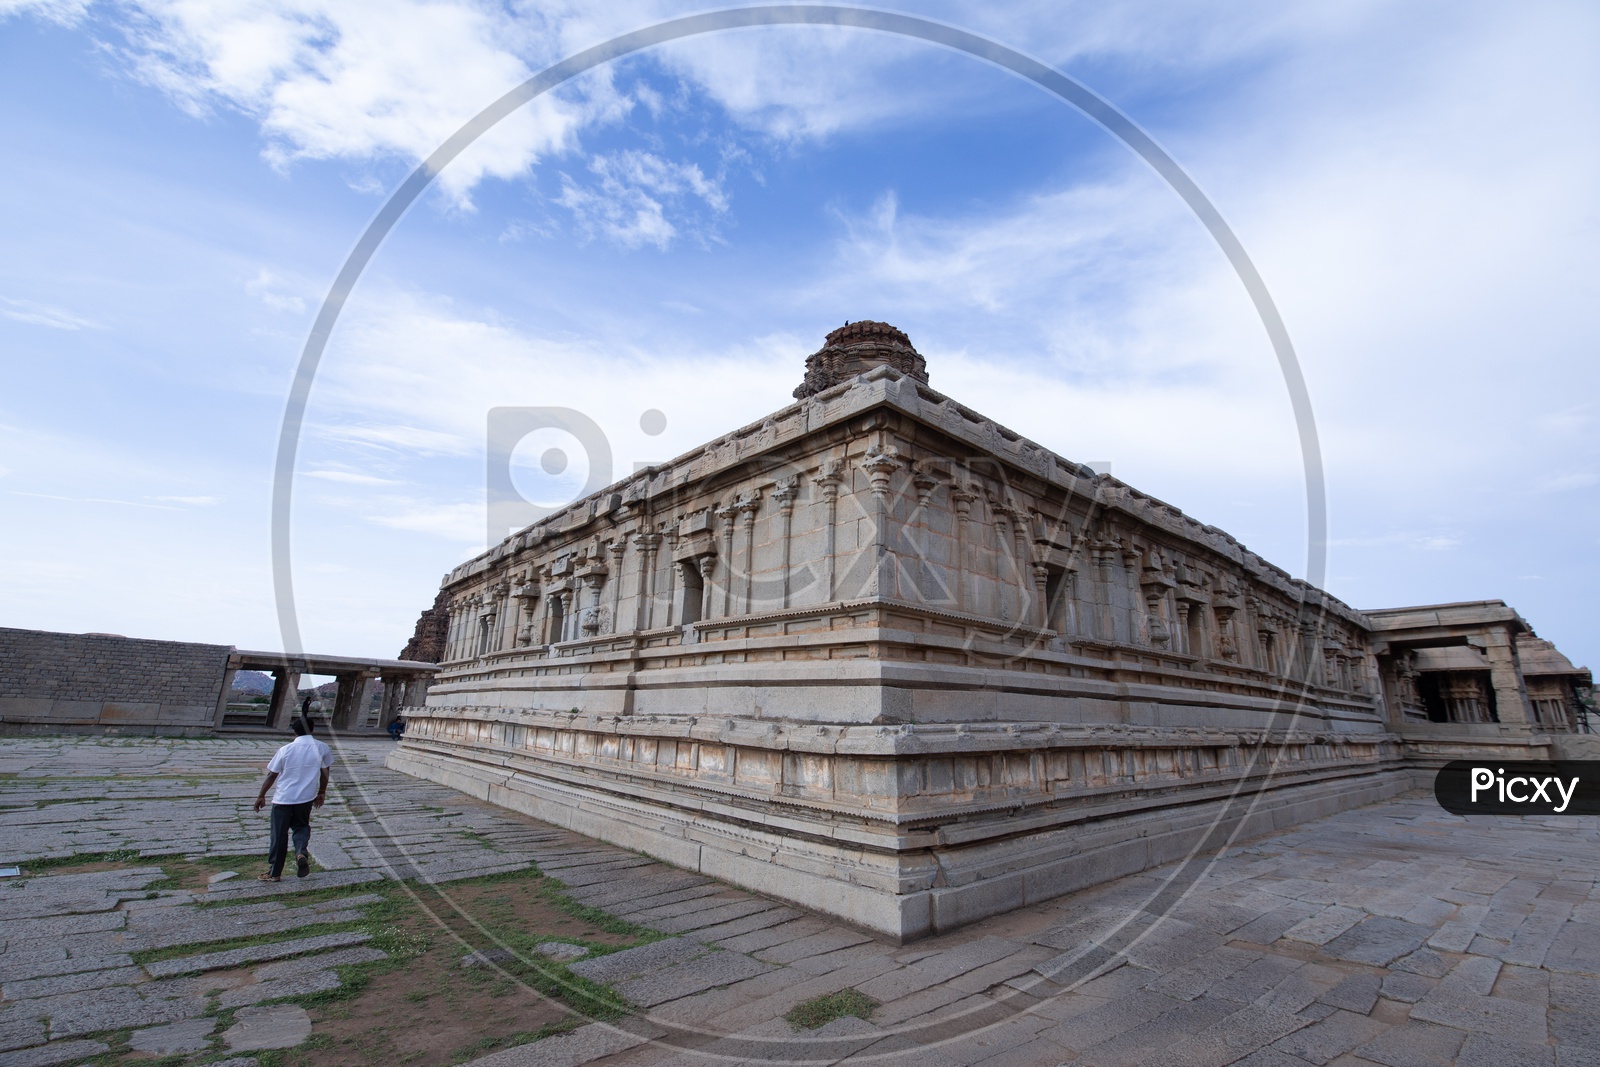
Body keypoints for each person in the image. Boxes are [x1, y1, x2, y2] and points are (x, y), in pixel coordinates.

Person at [253, 716, 334, 882]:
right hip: (306, 798)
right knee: (301, 827)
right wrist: (322, 792)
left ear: (294, 731)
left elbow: (272, 775)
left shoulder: (285, 750)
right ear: (313, 729)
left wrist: (261, 795)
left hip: (283, 798)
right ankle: (301, 852)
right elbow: (325, 773)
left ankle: (275, 872)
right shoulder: (322, 748)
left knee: (279, 834)